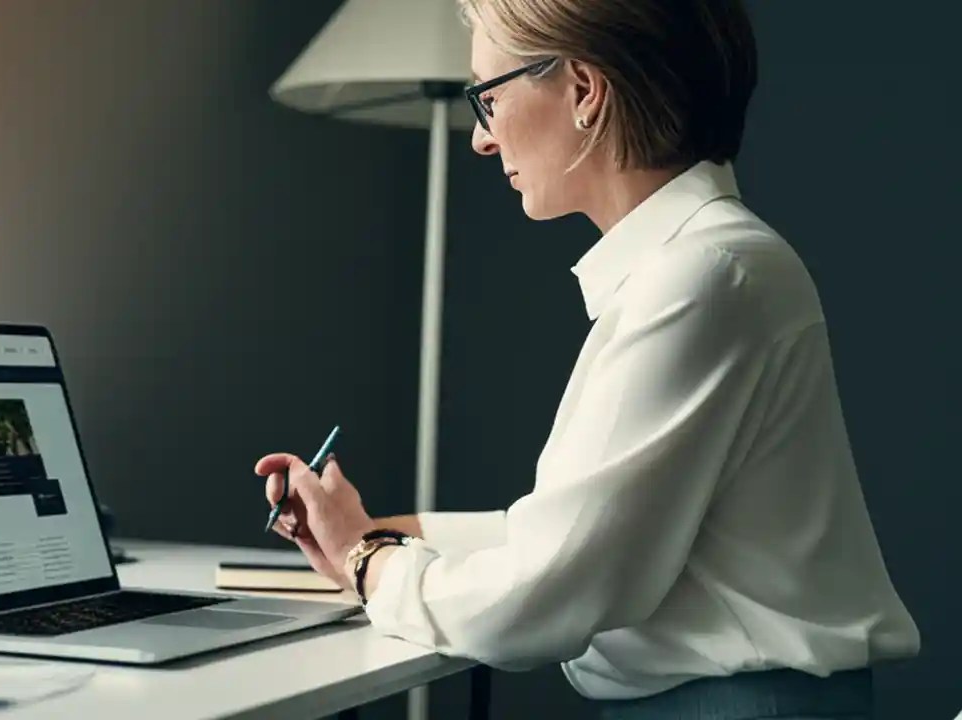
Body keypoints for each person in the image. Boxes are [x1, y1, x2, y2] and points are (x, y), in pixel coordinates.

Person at [255, 1, 920, 718]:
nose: (481, 138)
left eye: (490, 97)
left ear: (582, 89)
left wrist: (368, 563)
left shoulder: (701, 278)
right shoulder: (710, 266)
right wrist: (379, 532)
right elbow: (579, 534)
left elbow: (544, 595)